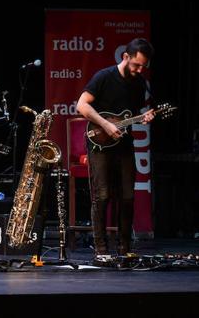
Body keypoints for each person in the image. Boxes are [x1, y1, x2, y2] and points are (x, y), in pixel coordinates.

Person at [76, 38, 155, 256]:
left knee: (128, 195)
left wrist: (144, 118)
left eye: (143, 66)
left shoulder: (139, 84)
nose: (139, 70)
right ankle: (101, 249)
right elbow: (81, 105)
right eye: (136, 65)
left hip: (123, 143)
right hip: (99, 141)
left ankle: (124, 247)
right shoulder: (104, 76)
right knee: (102, 195)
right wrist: (105, 124)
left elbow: (130, 116)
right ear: (125, 57)